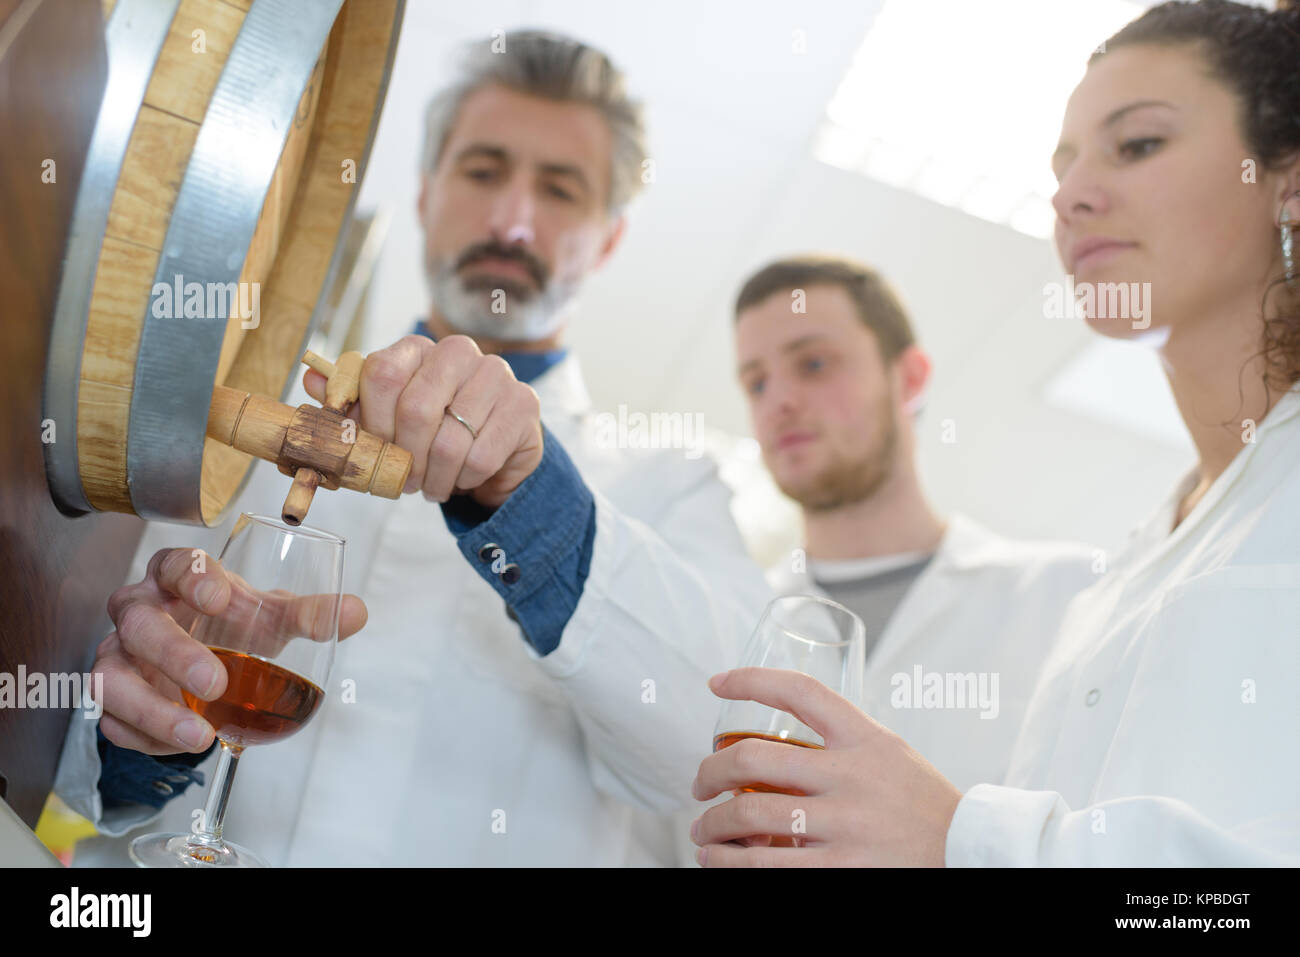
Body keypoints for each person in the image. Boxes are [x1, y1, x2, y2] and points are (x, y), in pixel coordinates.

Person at [55, 29, 771, 867]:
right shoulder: (242, 416)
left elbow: (724, 753)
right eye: (482, 171)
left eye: (561, 189)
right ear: (426, 193)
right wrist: (150, 740)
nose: (512, 217)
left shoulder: (670, 484)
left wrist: (533, 501)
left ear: (609, 239)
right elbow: (79, 756)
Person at [690, 0, 1300, 866]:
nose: (1071, 193)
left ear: (1287, 178)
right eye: (1064, 164)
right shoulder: (1110, 592)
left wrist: (957, 837)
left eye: (1138, 145)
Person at [731, 256, 1098, 792]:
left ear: (909, 379)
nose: (778, 402)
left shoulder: (1068, 598)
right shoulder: (731, 621)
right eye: (756, 383)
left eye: (812, 364)